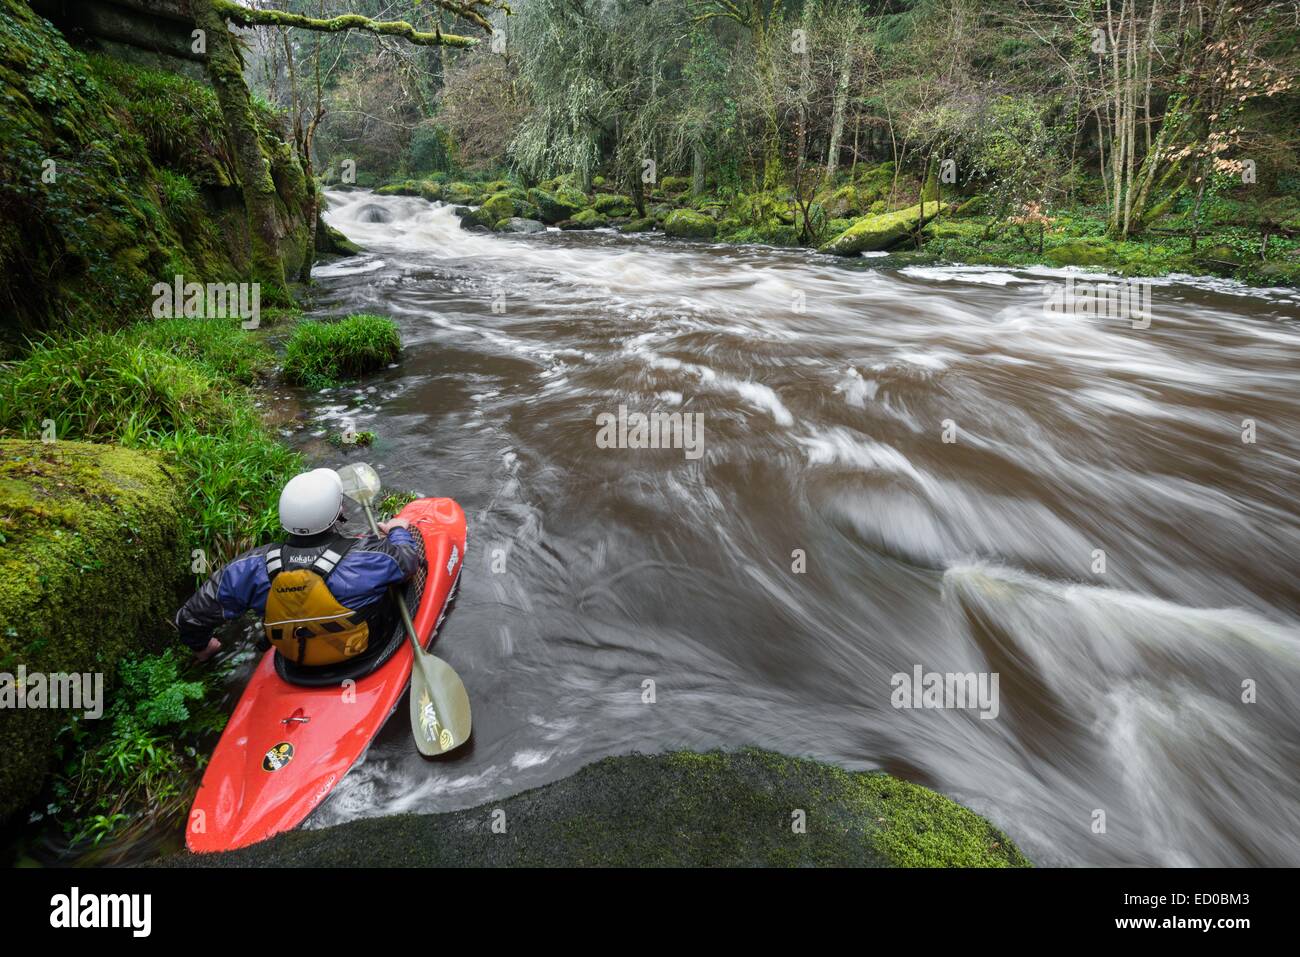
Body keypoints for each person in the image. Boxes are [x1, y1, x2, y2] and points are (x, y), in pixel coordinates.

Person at [175, 468, 419, 665]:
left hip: (296, 660)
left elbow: (190, 617)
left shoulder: (249, 566)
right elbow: (408, 562)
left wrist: (203, 647)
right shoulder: (370, 556)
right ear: (339, 513)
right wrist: (398, 531)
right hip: (364, 652)